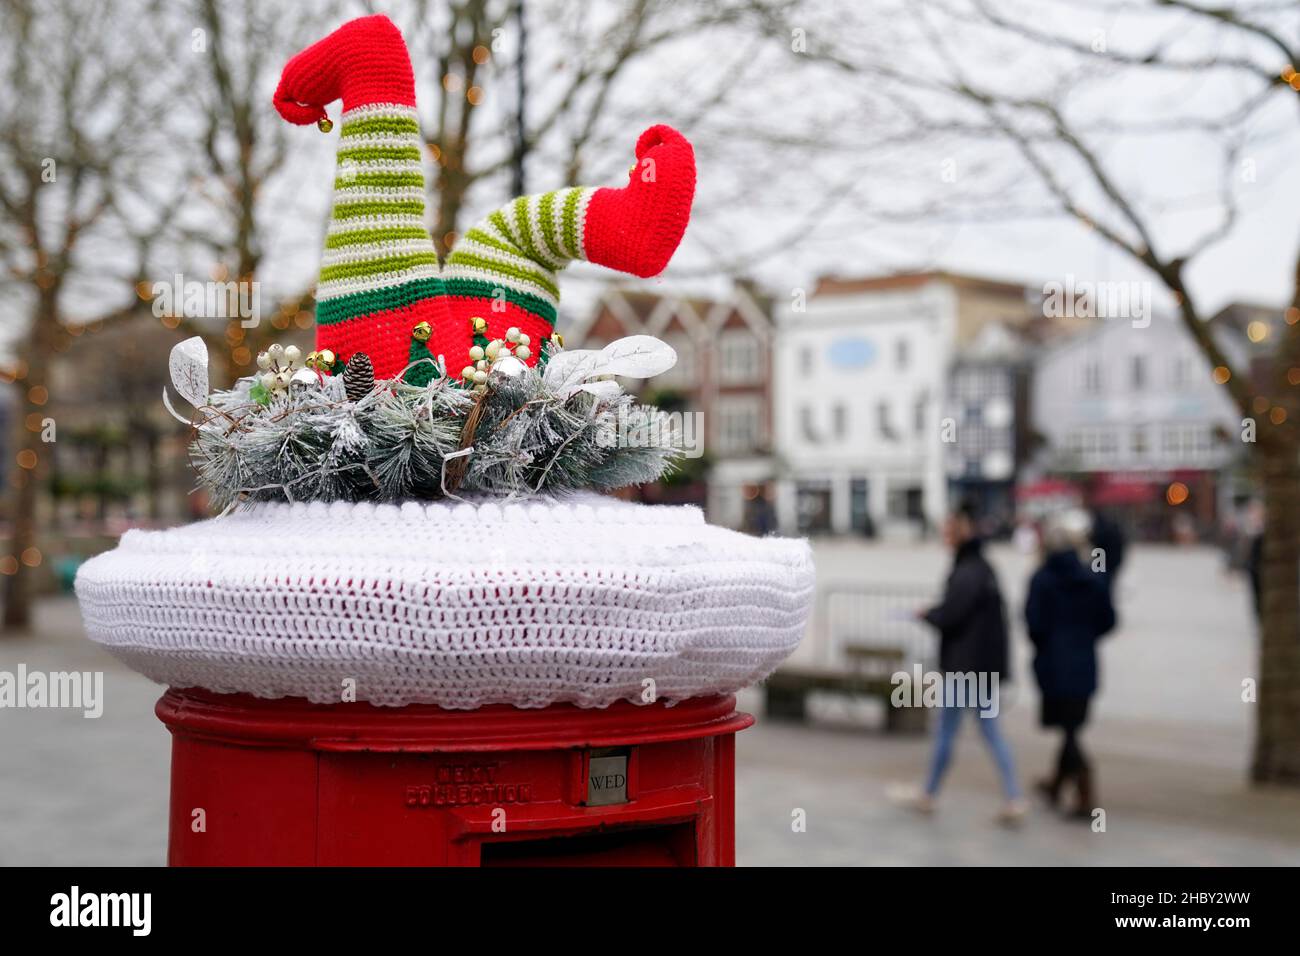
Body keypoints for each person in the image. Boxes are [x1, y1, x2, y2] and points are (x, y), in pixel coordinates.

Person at [897, 500, 1026, 825]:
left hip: (966, 669)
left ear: (962, 530)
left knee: (949, 731)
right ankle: (1011, 797)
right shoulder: (983, 567)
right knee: (987, 731)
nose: (945, 535)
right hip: (980, 668)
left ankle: (930, 793)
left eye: (950, 529)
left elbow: (953, 614)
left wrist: (928, 614)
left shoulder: (969, 569)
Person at [1025, 509, 1117, 820]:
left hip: (1053, 664)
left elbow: (1033, 624)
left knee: (1069, 730)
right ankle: (1057, 784)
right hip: (1084, 663)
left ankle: (1085, 793)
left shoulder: (1042, 579)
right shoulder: (1094, 579)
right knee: (1071, 726)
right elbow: (1108, 621)